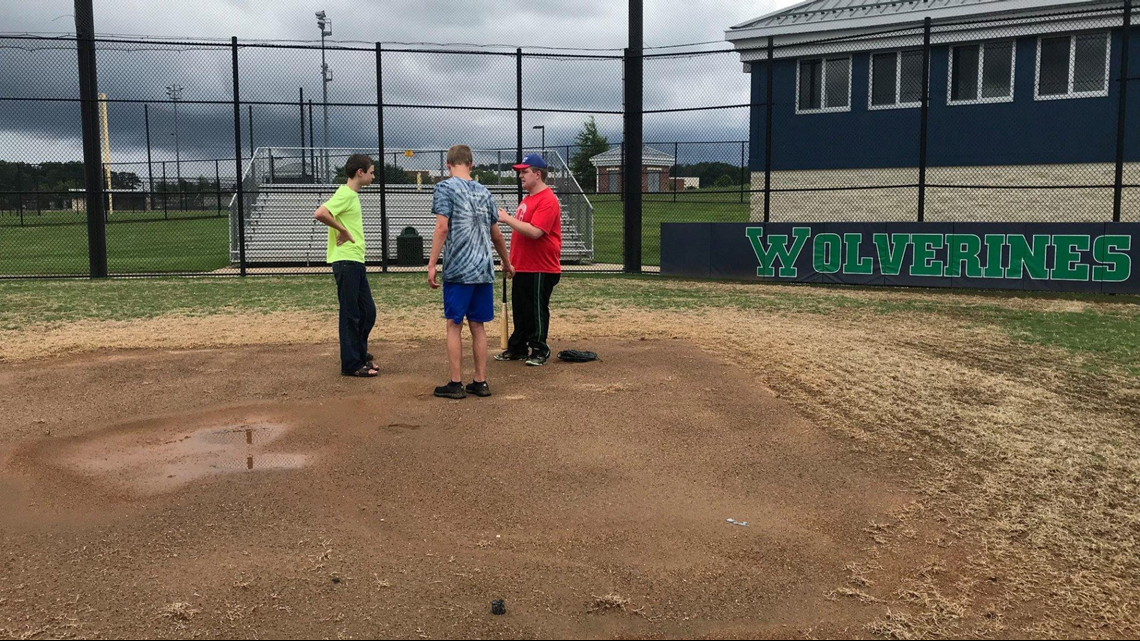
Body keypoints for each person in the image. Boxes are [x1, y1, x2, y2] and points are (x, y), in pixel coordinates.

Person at [427, 145, 513, 398]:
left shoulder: (444, 188)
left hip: (459, 269)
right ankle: (480, 381)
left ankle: (456, 383)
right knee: (479, 326)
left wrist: (432, 264)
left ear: (448, 164)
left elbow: (442, 228)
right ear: (472, 164)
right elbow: (496, 235)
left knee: (454, 325)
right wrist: (506, 262)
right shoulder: (485, 191)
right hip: (484, 268)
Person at [313, 154, 378, 378]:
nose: (373, 175)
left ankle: (359, 354)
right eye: (371, 172)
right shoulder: (346, 194)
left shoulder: (352, 196)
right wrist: (343, 230)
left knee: (367, 311)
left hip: (355, 261)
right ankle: (351, 363)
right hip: (346, 261)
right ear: (360, 172)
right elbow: (320, 213)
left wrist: (342, 228)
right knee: (351, 313)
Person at [495, 153, 562, 367]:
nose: (520, 176)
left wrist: (506, 219)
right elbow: (521, 235)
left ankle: (540, 348)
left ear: (538, 174)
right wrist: (509, 261)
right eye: (520, 172)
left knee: (535, 311)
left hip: (541, 267)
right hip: (523, 265)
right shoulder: (528, 199)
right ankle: (518, 348)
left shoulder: (548, 200)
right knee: (522, 310)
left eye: (524, 172)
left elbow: (535, 233)